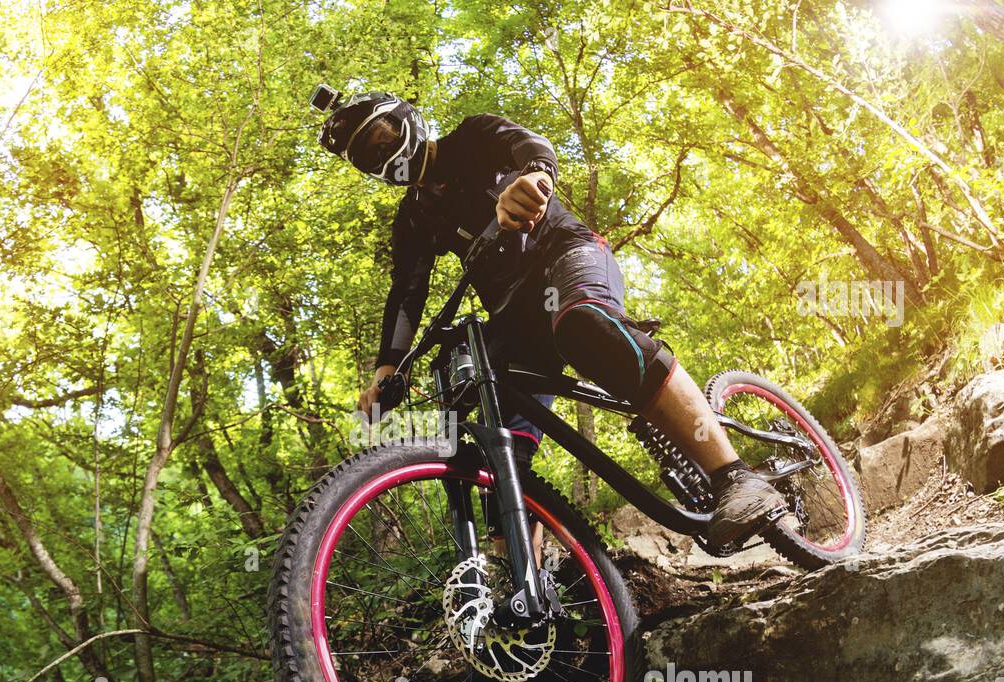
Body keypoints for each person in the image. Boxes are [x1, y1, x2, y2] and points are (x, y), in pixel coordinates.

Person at [313, 87, 786, 550]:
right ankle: (528, 596)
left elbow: (530, 145)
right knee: (497, 450)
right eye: (368, 158)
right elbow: (407, 292)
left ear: (405, 117)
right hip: (512, 315)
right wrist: (386, 370)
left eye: (381, 137)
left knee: (584, 325)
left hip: (567, 253)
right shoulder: (415, 217)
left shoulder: (472, 137)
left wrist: (535, 178)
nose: (382, 156)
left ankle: (737, 478)